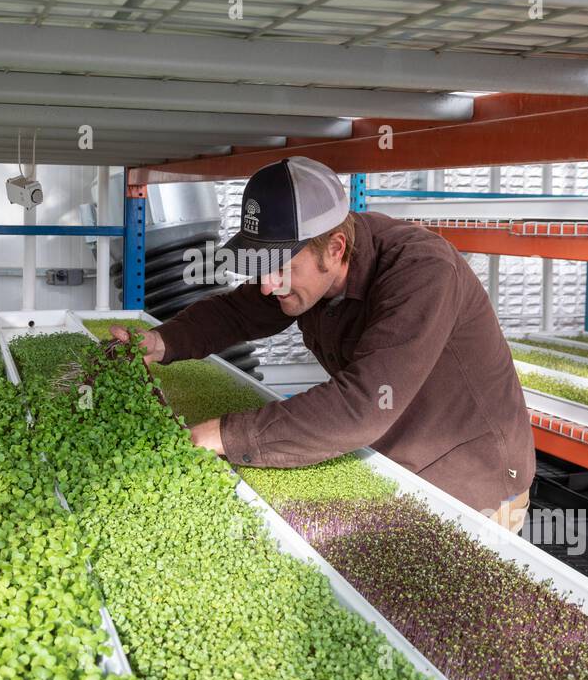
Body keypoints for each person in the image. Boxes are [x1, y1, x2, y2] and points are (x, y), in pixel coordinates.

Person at [111, 156, 534, 530]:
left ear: (335, 248)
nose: (267, 285)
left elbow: (364, 408)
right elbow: (236, 312)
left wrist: (223, 434)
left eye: (281, 268)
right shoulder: (311, 274)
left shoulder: (421, 273)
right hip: (394, 464)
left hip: (473, 486)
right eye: (260, 267)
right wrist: (158, 342)